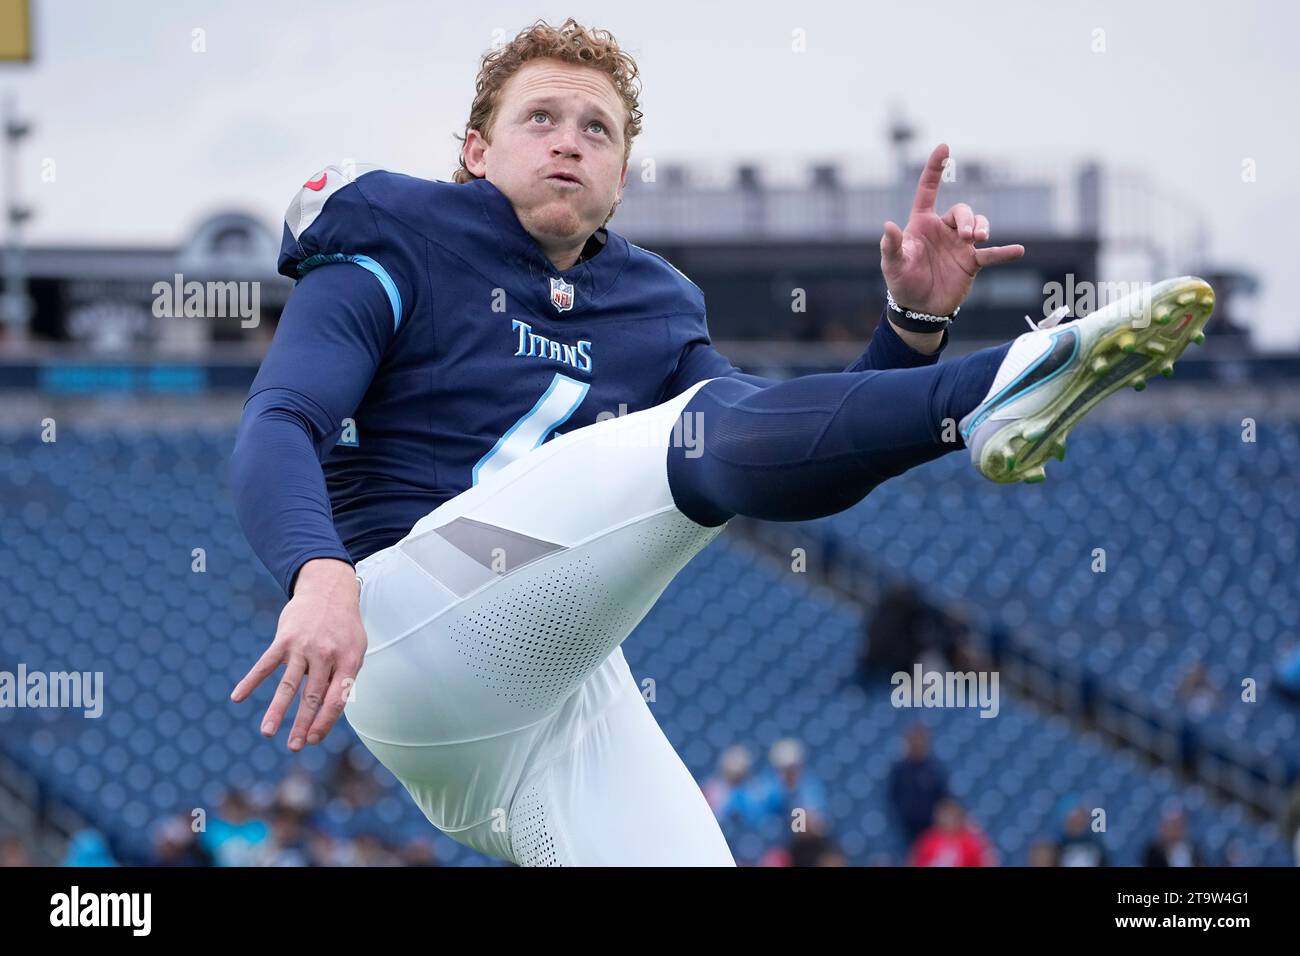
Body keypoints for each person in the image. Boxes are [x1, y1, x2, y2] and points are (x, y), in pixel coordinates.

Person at [228, 18, 1215, 866]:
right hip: (405, 624)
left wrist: (910, 333)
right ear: (478, 149)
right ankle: (994, 391)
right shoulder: (400, 227)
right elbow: (280, 418)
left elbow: (778, 443)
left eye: (596, 129)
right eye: (540, 117)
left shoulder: (651, 304)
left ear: (620, 178)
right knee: (676, 440)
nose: (568, 142)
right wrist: (316, 569)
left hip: (556, 688)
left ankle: (968, 390)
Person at [887, 723, 949, 845]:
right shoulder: (899, 771)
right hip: (905, 829)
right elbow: (892, 797)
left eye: (920, 740)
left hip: (931, 829)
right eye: (914, 740)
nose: (917, 744)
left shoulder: (934, 769)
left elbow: (943, 799)